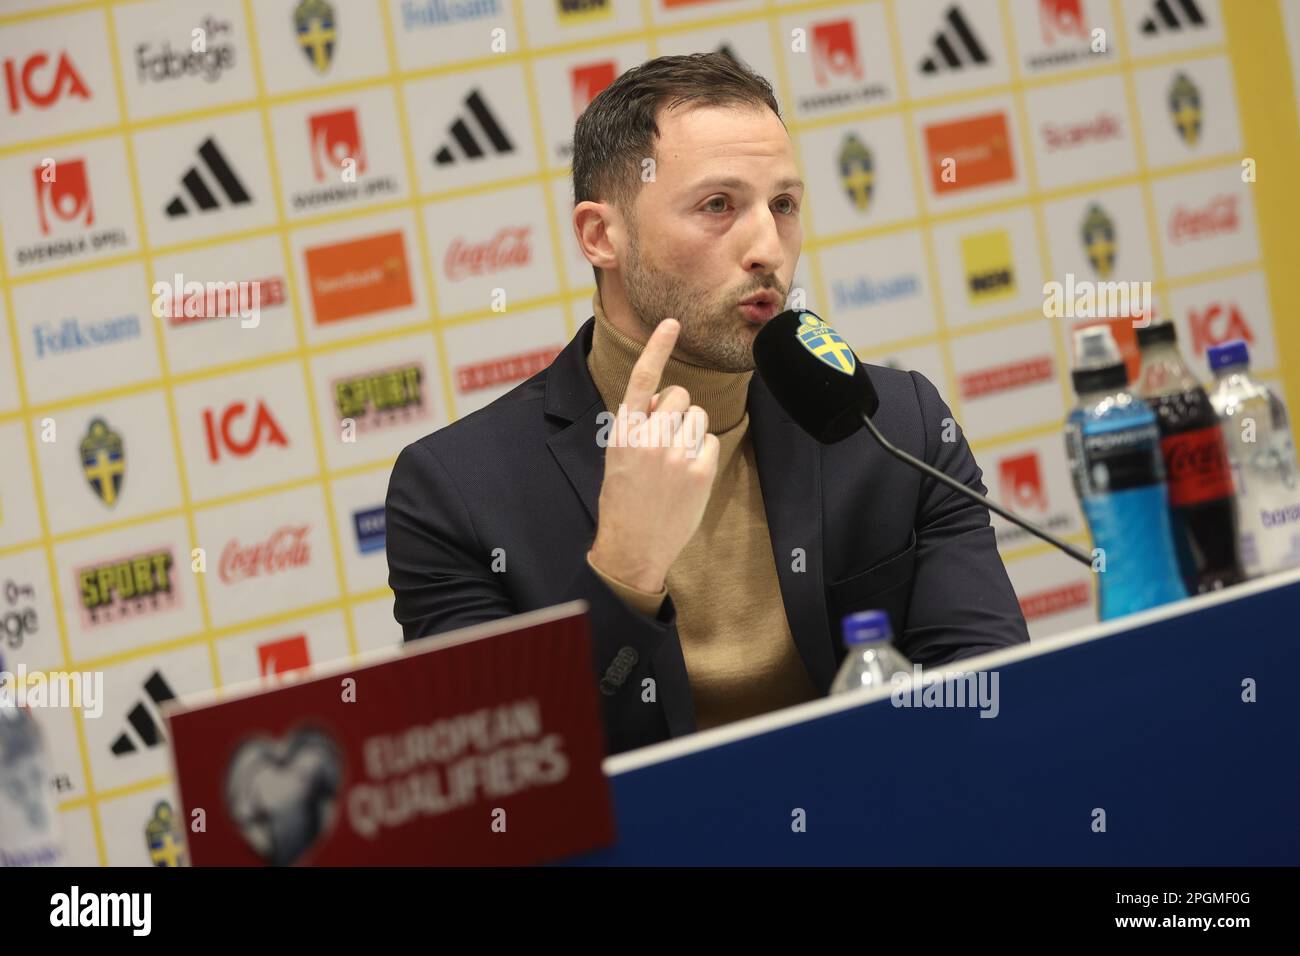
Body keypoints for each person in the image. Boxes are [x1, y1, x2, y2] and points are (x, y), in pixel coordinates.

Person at [386, 52, 1028, 756]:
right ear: (602, 235)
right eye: (718, 205)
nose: (767, 248)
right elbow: (500, 781)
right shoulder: (457, 492)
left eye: (783, 205)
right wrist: (624, 571)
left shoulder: (892, 424)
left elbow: (990, 708)